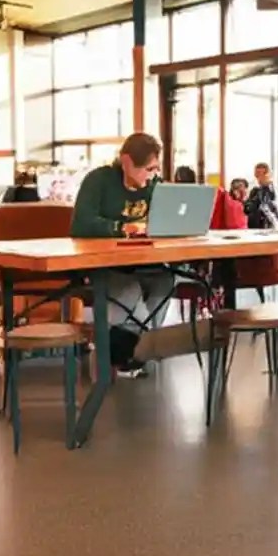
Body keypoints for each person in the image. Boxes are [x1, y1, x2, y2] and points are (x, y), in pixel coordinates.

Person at [71, 132, 174, 376]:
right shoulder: (99, 180)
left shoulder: (155, 186)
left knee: (166, 282)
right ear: (127, 162)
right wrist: (121, 228)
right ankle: (138, 350)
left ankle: (135, 352)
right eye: (148, 169)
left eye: (155, 169)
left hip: (147, 261)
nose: (152, 176)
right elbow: (81, 224)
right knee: (127, 289)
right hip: (108, 263)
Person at [244, 162, 278, 230]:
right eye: (257, 175)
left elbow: (272, 211)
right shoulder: (255, 191)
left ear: (268, 175)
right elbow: (247, 209)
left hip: (269, 229)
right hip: (255, 229)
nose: (258, 178)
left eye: (260, 175)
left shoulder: (273, 191)